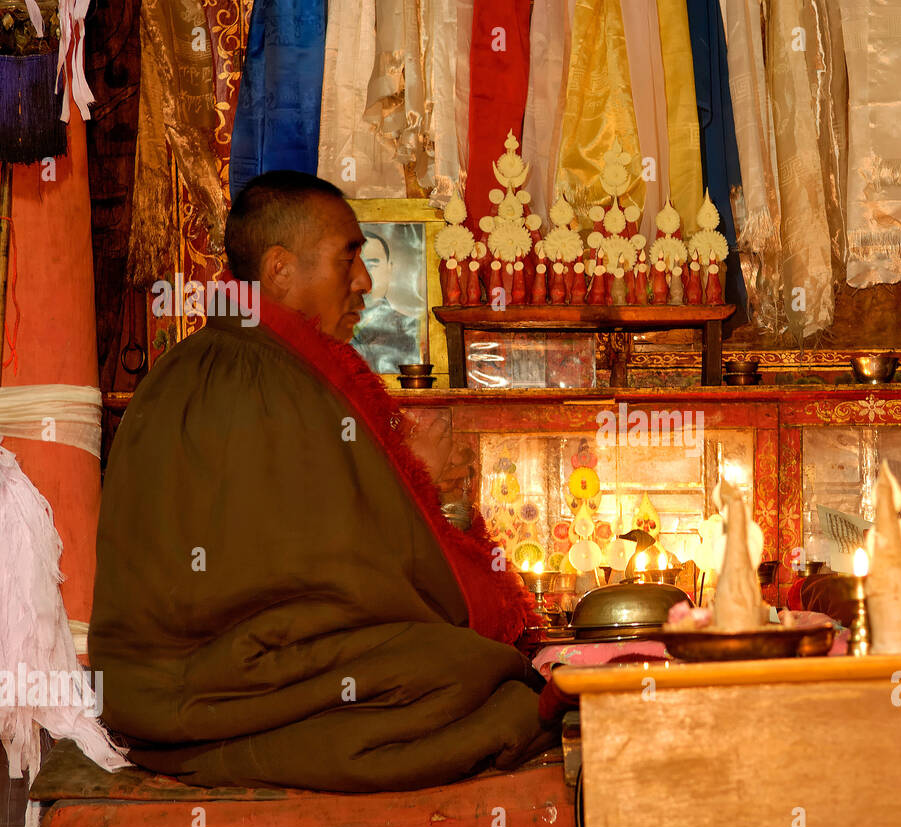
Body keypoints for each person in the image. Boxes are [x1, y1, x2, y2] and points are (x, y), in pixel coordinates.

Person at [89, 170, 554, 792]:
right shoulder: (271, 378)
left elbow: (308, 562)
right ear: (280, 270)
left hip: (151, 687)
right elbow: (351, 568)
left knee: (460, 673)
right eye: (350, 257)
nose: (364, 281)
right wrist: (433, 496)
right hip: (223, 673)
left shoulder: (194, 367)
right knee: (471, 672)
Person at [349, 231, 423, 373]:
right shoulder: (329, 328)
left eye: (372, 265)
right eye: (356, 266)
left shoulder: (413, 330)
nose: (365, 276)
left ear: (390, 268)